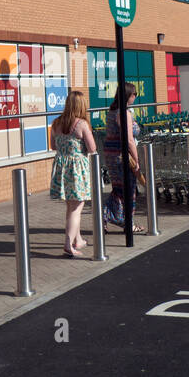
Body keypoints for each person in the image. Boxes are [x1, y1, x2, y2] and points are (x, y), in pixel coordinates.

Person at [49, 91, 97, 257]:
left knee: (71, 205)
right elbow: (92, 148)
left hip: (62, 166)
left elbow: (53, 146)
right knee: (77, 207)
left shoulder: (56, 123)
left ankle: (78, 239)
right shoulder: (82, 124)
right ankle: (68, 244)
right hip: (77, 168)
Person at [103, 82, 143, 232]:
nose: (135, 97)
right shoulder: (123, 113)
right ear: (128, 95)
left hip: (111, 154)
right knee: (129, 190)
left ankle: (104, 216)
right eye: (134, 94)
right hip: (121, 155)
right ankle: (128, 223)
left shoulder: (113, 111)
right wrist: (136, 160)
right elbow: (129, 139)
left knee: (118, 189)